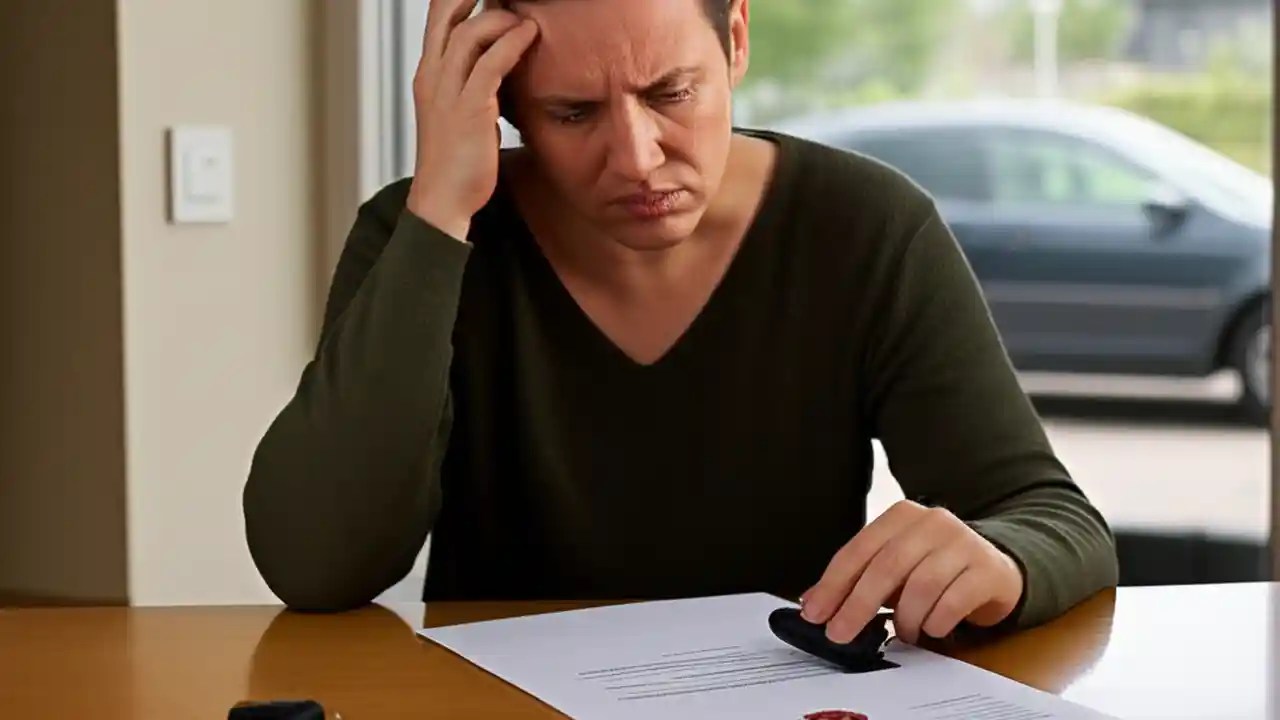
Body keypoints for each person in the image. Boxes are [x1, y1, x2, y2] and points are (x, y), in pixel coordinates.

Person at [243, 0, 1118, 646]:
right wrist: (440, 209)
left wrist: (999, 562)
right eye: (573, 113)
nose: (637, 157)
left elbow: (1053, 519)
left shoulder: (865, 228)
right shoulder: (426, 232)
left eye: (671, 93)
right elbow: (319, 565)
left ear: (736, 38)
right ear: (503, 103)